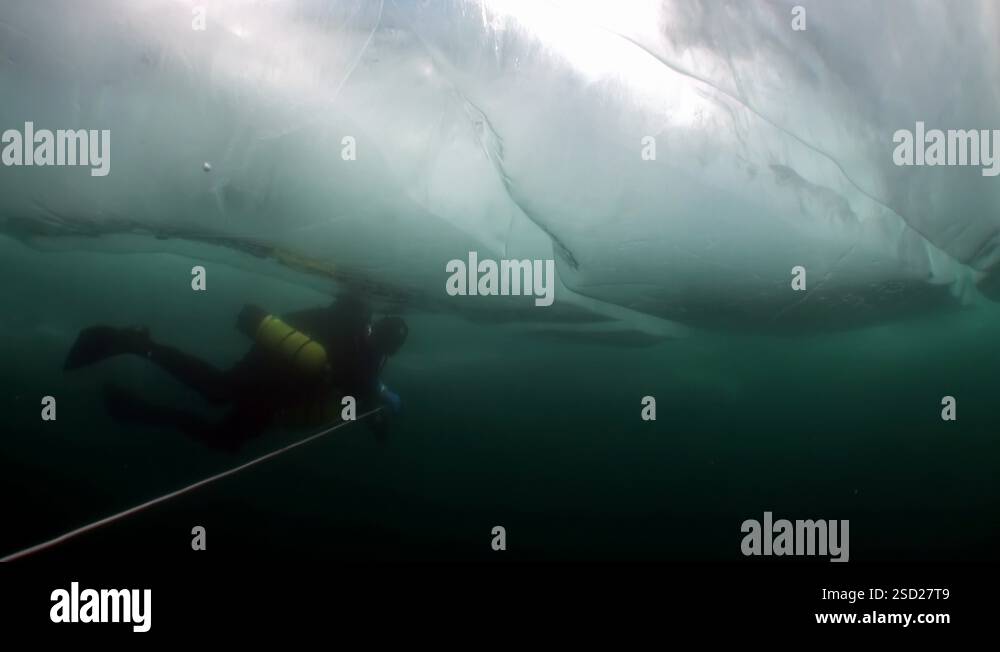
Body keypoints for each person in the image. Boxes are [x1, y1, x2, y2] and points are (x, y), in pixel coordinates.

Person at [63, 294, 408, 451]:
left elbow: (359, 391)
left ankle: (139, 409)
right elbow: (358, 385)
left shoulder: (366, 355)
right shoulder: (355, 339)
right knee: (217, 392)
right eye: (384, 342)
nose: (381, 347)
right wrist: (378, 408)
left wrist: (377, 411)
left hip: (279, 394)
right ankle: (137, 344)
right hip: (272, 369)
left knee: (224, 440)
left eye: (386, 346)